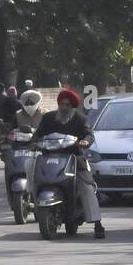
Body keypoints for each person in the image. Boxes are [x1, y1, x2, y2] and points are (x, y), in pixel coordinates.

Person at [35, 88, 104, 238]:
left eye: (67, 105)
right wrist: (33, 142)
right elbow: (38, 134)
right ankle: (30, 202)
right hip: (49, 157)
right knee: (30, 167)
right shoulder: (48, 118)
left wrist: (85, 141)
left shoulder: (80, 119)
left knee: (86, 185)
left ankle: (97, 223)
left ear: (72, 106)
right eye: (62, 104)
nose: (64, 107)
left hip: (74, 157)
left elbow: (88, 134)